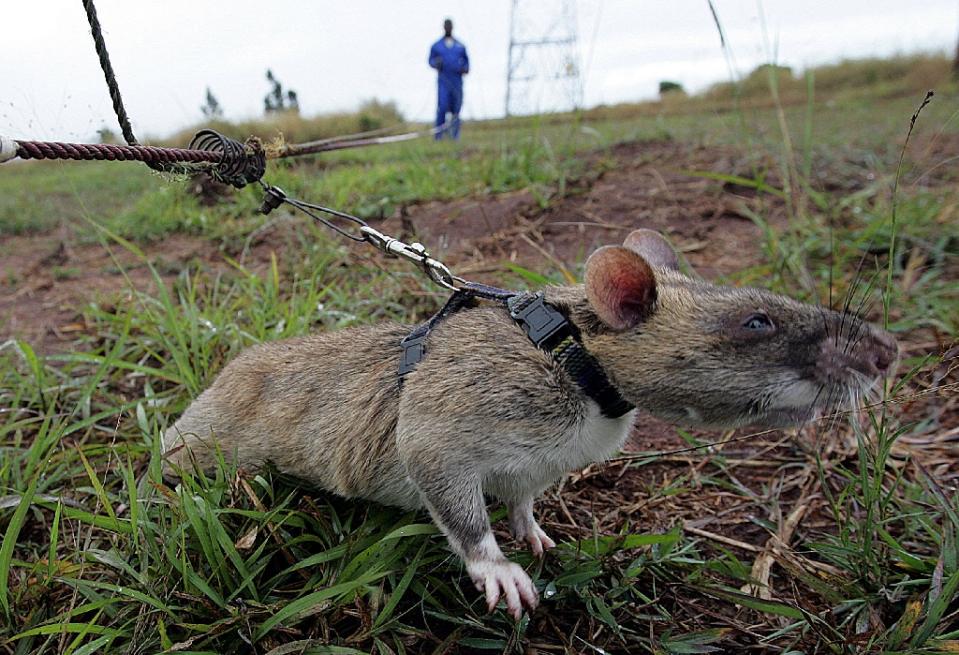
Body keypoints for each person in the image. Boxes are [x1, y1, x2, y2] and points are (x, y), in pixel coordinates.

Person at [428, 19, 469, 140]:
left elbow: (467, 63)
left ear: (452, 27)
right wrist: (436, 63)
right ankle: (439, 135)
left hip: (457, 80)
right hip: (443, 80)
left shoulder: (460, 46)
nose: (448, 28)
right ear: (443, 27)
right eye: (446, 26)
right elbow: (430, 61)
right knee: (443, 106)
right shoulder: (436, 46)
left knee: (456, 107)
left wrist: (464, 68)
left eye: (449, 26)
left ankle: (455, 136)